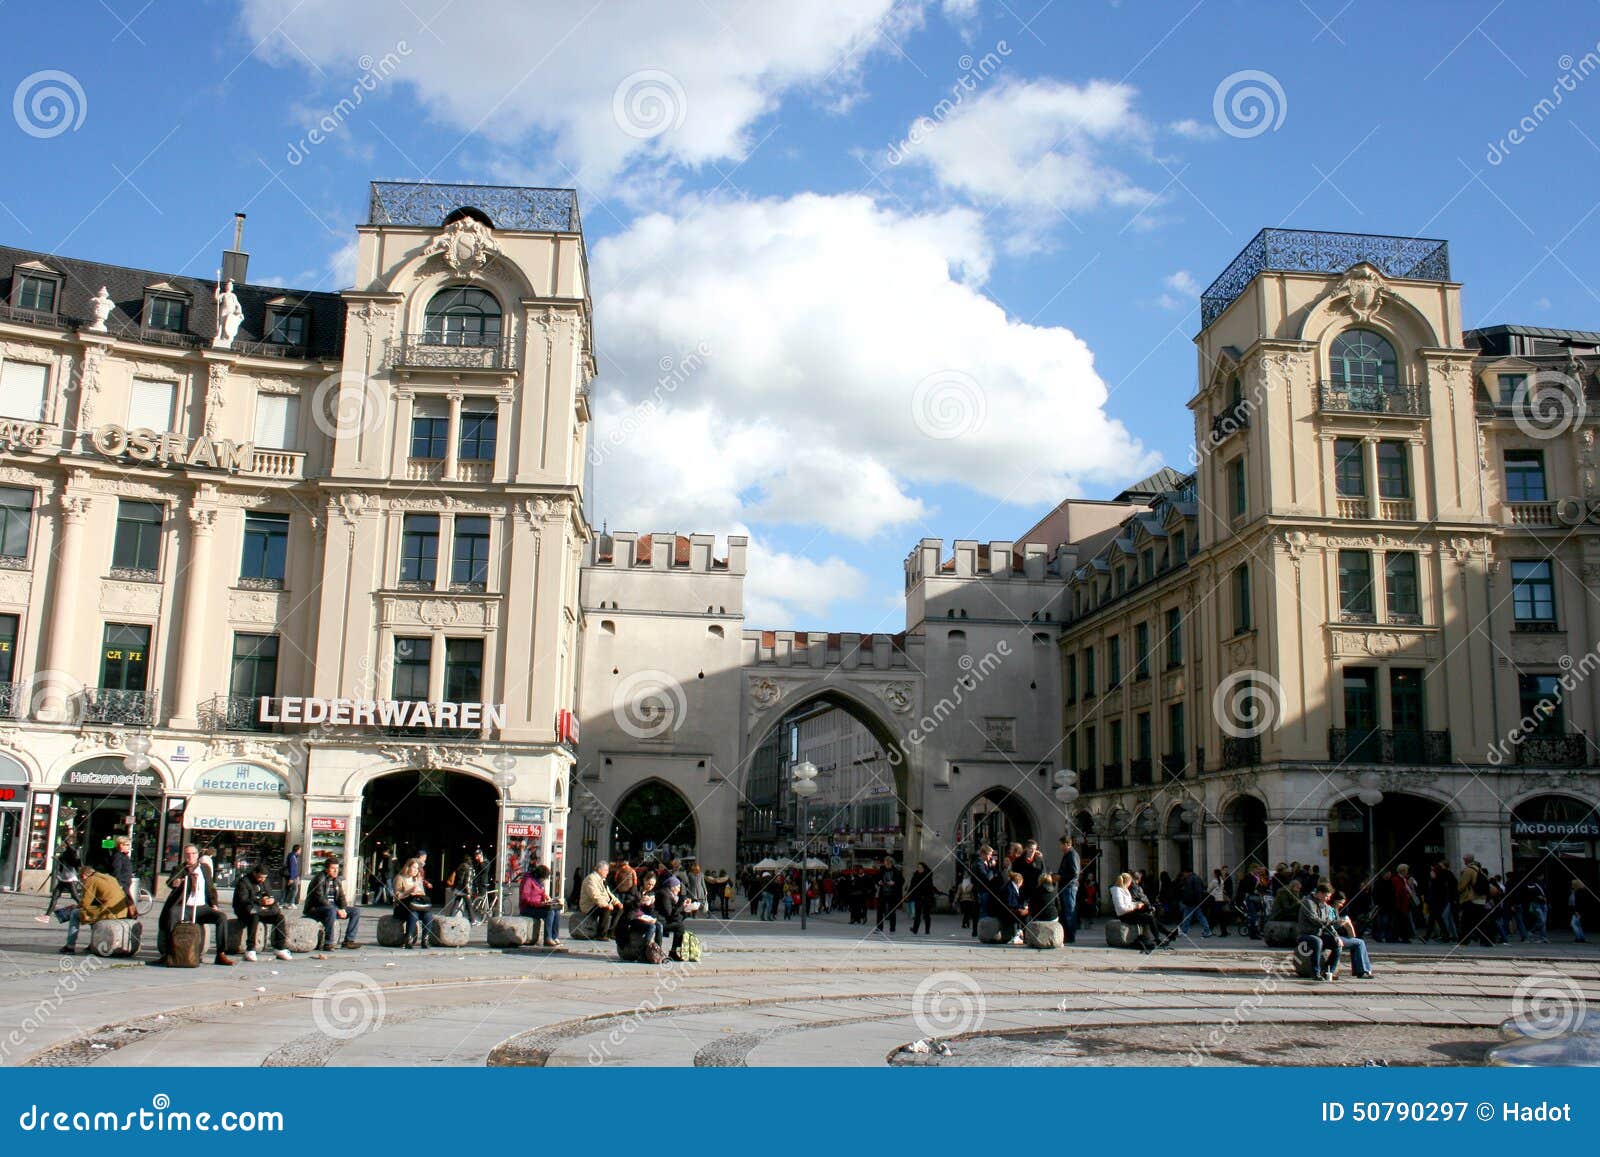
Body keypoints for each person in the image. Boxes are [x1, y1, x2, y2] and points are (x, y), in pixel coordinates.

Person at [161, 843, 234, 965]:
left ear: (198, 855)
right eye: (188, 854)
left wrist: (214, 904)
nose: (191, 856)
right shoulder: (180, 868)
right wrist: (177, 882)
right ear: (184, 856)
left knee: (221, 917)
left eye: (193, 853)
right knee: (172, 914)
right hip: (185, 906)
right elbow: (171, 881)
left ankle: (221, 953)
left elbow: (210, 888)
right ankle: (170, 952)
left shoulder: (204, 868)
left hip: (202, 907)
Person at [61, 864, 130, 954]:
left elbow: (85, 903)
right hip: (121, 911)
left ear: (84, 876)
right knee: (92, 913)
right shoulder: (109, 877)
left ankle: (70, 946)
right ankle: (92, 944)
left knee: (75, 913)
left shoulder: (91, 880)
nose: (82, 881)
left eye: (81, 879)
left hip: (108, 911)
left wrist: (76, 906)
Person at [232, 863, 292, 961]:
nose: (262, 880)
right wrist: (259, 901)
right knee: (254, 916)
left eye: (264, 877)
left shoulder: (265, 882)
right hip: (245, 910)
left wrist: (271, 900)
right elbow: (243, 900)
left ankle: (280, 947)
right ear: (254, 873)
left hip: (261, 909)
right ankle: (250, 948)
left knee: (279, 918)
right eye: (260, 877)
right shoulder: (244, 882)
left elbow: (269, 893)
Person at [304, 859, 361, 949]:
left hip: (332, 908)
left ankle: (349, 940)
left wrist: (343, 908)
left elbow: (341, 897)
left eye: (337, 868)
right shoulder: (319, 879)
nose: (335, 871)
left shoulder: (337, 880)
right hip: (316, 909)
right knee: (331, 910)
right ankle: (328, 942)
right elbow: (320, 898)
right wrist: (337, 909)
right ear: (326, 869)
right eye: (333, 868)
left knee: (355, 911)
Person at [1109, 871, 1166, 954]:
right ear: (1126, 882)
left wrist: (1137, 904)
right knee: (1149, 918)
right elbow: (1121, 908)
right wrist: (1135, 906)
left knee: (1148, 912)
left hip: (1130, 912)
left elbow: (1128, 903)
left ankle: (1159, 935)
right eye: (1130, 882)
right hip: (1124, 915)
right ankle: (1158, 938)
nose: (1130, 884)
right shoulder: (1117, 891)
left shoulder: (1124, 889)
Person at [1296, 882, 1342, 981]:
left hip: (1319, 934)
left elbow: (1329, 925)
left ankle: (1328, 971)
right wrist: (1330, 921)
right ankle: (1315, 973)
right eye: (1326, 896)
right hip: (1306, 934)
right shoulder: (1308, 902)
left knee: (1337, 944)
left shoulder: (1325, 905)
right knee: (1317, 941)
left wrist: (1336, 936)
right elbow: (1314, 919)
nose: (1328, 899)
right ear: (1320, 893)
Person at [393, 856, 434, 949]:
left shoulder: (417, 879)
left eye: (417, 868)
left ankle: (425, 939)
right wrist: (409, 891)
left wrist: (419, 892)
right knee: (413, 914)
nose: (416, 870)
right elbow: (397, 896)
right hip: (403, 906)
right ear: (408, 867)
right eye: (414, 867)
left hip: (416, 905)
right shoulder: (400, 878)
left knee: (428, 915)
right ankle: (409, 938)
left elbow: (422, 894)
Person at [1332, 890, 1374, 978]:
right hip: (1333, 937)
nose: (1341, 905)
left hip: (1337, 936)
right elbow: (1331, 926)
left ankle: (1360, 970)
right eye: (1340, 903)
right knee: (1360, 943)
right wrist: (1340, 923)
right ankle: (1363, 970)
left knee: (1356, 941)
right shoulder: (1331, 909)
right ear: (1335, 901)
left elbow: (1352, 935)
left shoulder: (1334, 910)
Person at [519, 863, 562, 947]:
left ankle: (554, 937)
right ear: (539, 876)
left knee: (556, 911)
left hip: (538, 906)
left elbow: (541, 892)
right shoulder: (528, 881)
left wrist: (546, 897)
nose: (544, 880)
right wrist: (539, 904)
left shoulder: (539, 882)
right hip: (528, 908)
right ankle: (548, 938)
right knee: (550, 913)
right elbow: (525, 898)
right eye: (544, 878)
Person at [1457, 854, 1495, 947]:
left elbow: (1462, 886)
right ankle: (1487, 940)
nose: (1463, 860)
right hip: (1480, 899)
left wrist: (1458, 891)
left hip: (1471, 899)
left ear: (1466, 860)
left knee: (1465, 921)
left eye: (1464, 859)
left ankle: (1464, 941)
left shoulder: (1468, 870)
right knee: (1480, 922)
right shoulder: (1479, 870)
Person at [656, 877, 698, 959]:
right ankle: (673, 951)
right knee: (679, 926)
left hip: (663, 919)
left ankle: (674, 951)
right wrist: (682, 906)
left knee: (679, 923)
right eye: (678, 887)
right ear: (672, 886)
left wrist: (686, 907)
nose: (679, 890)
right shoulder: (665, 895)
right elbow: (670, 913)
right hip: (660, 921)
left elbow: (674, 912)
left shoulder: (669, 895)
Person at [579, 861, 624, 939]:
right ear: (600, 870)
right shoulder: (591, 879)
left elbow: (609, 894)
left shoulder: (602, 879)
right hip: (590, 906)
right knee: (606, 909)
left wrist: (617, 902)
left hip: (600, 903)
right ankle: (601, 934)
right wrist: (606, 905)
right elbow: (595, 896)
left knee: (619, 909)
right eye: (606, 870)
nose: (607, 872)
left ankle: (611, 932)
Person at [38, 843, 81, 921]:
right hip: (63, 879)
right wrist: (56, 859)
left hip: (70, 879)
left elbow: (75, 864)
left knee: (75, 896)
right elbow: (60, 864)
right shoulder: (64, 856)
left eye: (64, 847)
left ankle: (87, 909)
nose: (63, 849)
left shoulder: (72, 857)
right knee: (55, 896)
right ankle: (46, 916)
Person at [1056, 837, 1081, 943]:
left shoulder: (1072, 855)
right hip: (1066, 886)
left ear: (1066, 844)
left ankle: (1070, 936)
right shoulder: (1068, 854)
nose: (1060, 847)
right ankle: (1067, 935)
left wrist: (1061, 877)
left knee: (1069, 911)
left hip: (1069, 887)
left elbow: (1074, 873)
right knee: (1065, 911)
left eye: (1061, 844)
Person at [1178, 869, 1211, 938]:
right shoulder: (1196, 878)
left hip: (1191, 901)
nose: (1183, 875)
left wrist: (1188, 900)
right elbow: (1200, 890)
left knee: (1187, 916)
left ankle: (1184, 931)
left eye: (1184, 873)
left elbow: (1192, 891)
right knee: (1199, 916)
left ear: (1187, 873)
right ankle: (1207, 930)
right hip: (1194, 901)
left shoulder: (1190, 879)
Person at [999, 871, 1029, 944]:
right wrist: (1023, 907)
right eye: (1021, 883)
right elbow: (1011, 903)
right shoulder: (1009, 889)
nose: (1021, 885)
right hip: (1007, 911)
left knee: (1025, 912)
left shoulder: (1010, 886)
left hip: (1008, 909)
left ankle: (1020, 932)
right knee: (1026, 914)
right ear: (1019, 881)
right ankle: (1021, 935)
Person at [875, 857, 903, 934]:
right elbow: (876, 879)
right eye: (886, 862)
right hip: (883, 893)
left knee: (892, 912)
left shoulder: (896, 871)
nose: (887, 864)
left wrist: (894, 883)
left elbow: (901, 881)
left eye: (889, 863)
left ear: (891, 863)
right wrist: (879, 882)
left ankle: (892, 929)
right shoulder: (881, 870)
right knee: (880, 911)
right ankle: (879, 928)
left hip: (892, 894)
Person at [906, 862, 935, 935]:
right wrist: (908, 894)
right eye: (918, 867)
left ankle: (927, 930)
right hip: (918, 897)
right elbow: (912, 886)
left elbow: (930, 887)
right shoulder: (915, 875)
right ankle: (915, 929)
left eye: (921, 867)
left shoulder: (928, 876)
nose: (919, 869)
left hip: (927, 897)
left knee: (926, 914)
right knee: (917, 914)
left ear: (924, 868)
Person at [109, 835, 134, 901]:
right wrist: (120, 885)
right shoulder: (118, 856)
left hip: (125, 884)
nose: (129, 847)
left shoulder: (124, 856)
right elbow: (116, 871)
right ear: (121, 845)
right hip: (122, 885)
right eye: (127, 845)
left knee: (128, 904)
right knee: (128, 903)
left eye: (129, 845)